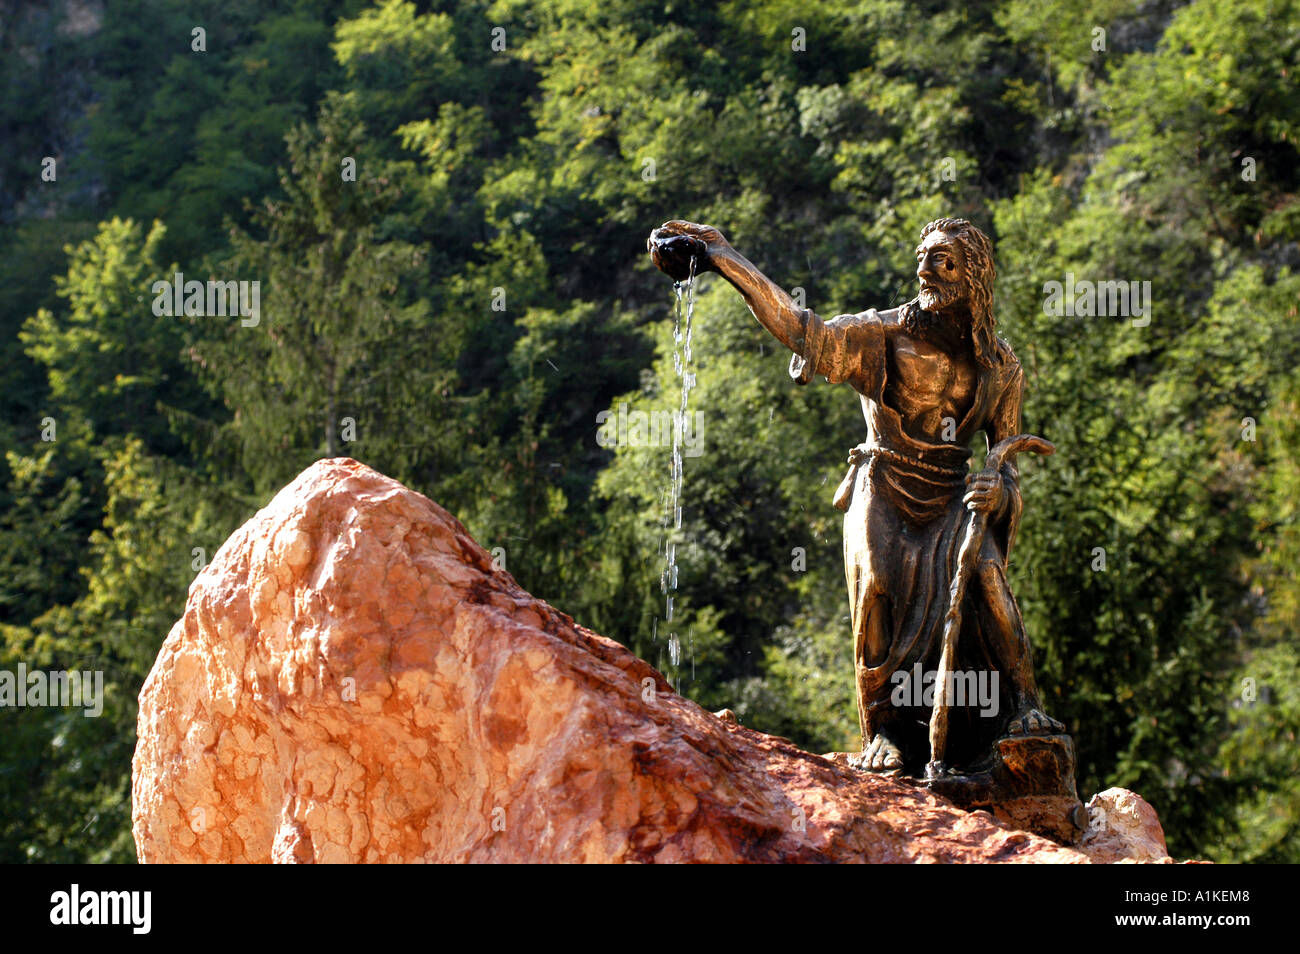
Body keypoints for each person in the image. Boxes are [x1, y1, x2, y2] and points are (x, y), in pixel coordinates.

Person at [648, 217, 1063, 773]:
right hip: (884, 480)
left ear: (974, 274)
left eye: (942, 259)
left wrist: (999, 490)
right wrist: (726, 259)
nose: (925, 269)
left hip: (952, 497)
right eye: (922, 258)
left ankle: (1023, 707)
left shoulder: (1000, 366)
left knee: (988, 574)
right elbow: (801, 328)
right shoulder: (880, 336)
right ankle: (886, 730)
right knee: (876, 589)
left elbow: (1008, 457)